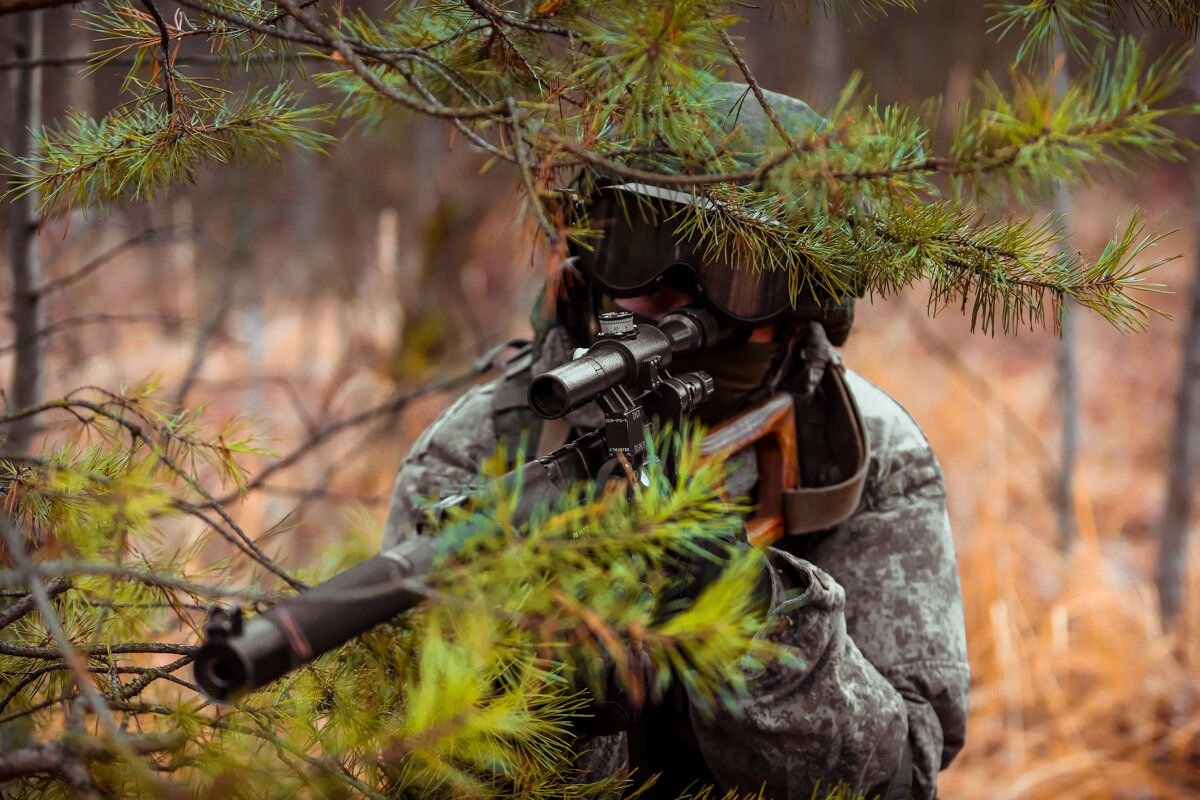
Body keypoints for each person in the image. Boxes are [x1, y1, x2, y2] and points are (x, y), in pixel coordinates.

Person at [382, 83, 969, 800]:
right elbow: (407, 760)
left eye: (728, 270)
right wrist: (530, 682)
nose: (665, 298)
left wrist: (758, 618)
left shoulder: (868, 457)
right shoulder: (483, 446)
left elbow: (901, 778)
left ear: (799, 297)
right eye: (635, 249)